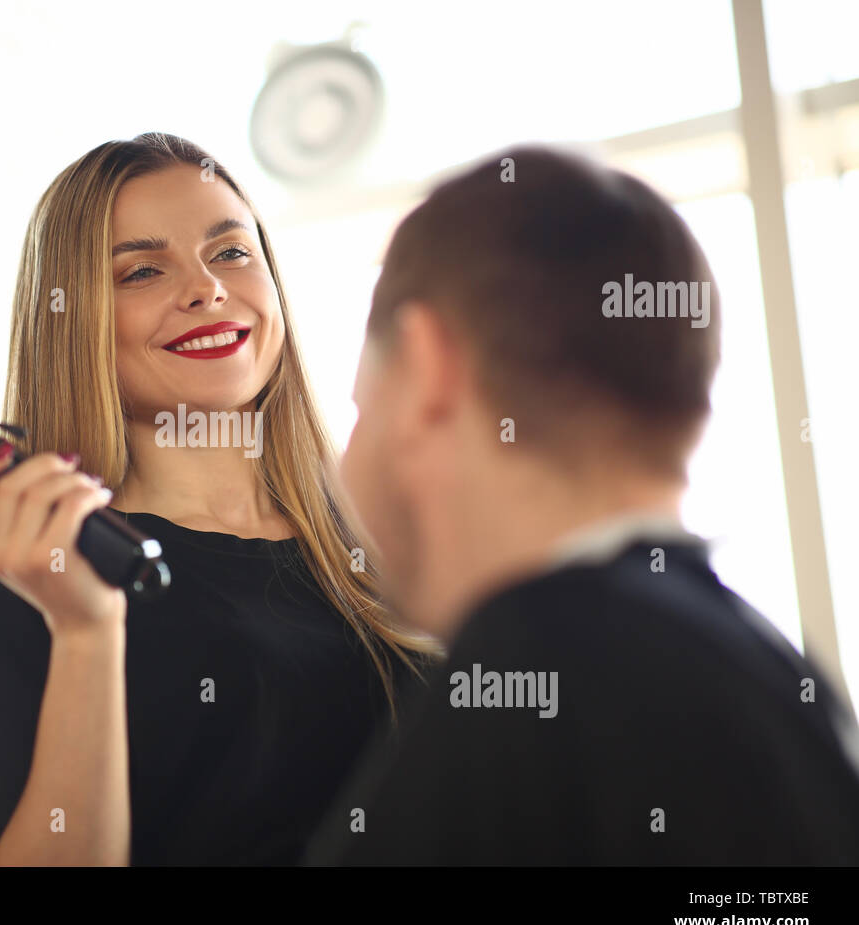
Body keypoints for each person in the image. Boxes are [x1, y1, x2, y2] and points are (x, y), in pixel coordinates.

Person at [304, 145, 859, 865]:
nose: (346, 464)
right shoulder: (778, 682)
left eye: (358, 406)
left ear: (427, 367)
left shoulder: (517, 698)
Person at [0, 132, 439, 866]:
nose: (206, 287)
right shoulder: (39, 580)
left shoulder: (389, 539)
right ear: (74, 319)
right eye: (141, 271)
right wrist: (85, 634)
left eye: (231, 252)